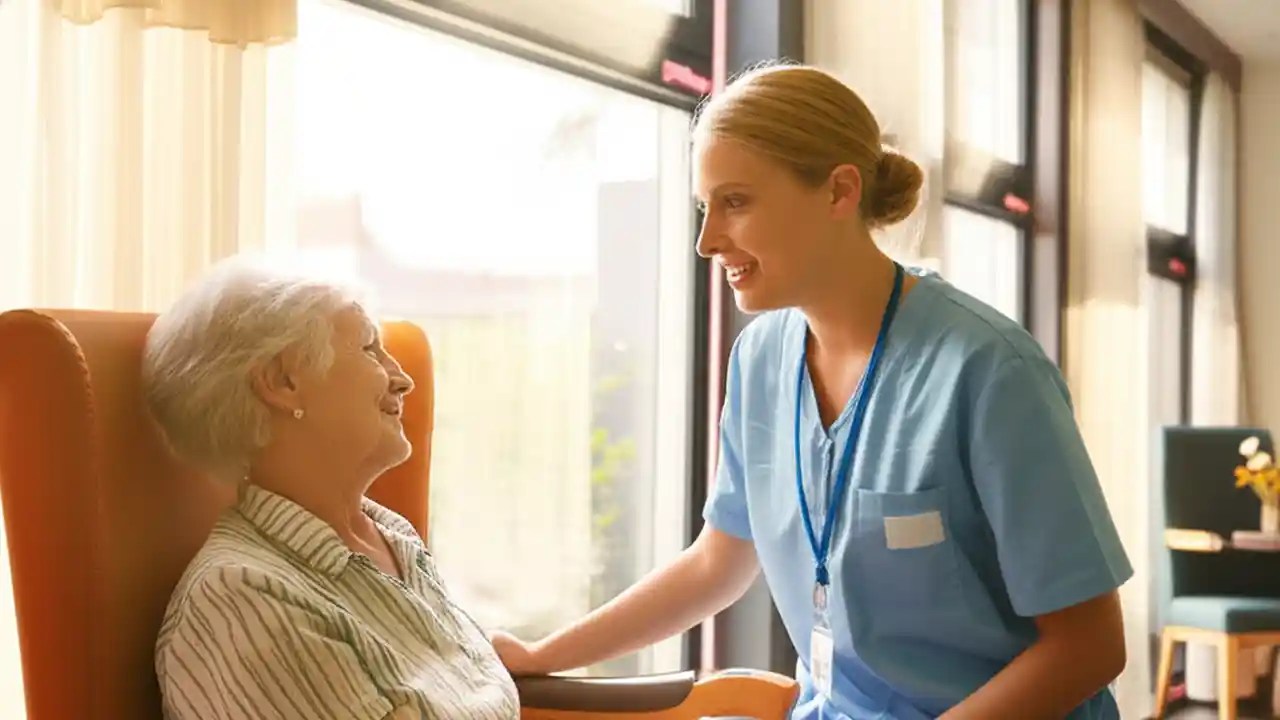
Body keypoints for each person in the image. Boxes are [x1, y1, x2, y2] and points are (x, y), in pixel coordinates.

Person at [492, 63, 1132, 719]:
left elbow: (1089, 647)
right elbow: (717, 563)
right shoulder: (761, 360)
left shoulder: (991, 370)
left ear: (838, 192)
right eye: (704, 208)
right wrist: (544, 655)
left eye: (736, 202)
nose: (708, 241)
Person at [144, 260, 519, 719]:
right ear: (282, 382)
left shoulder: (389, 534)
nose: (403, 380)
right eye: (369, 348)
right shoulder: (246, 598)